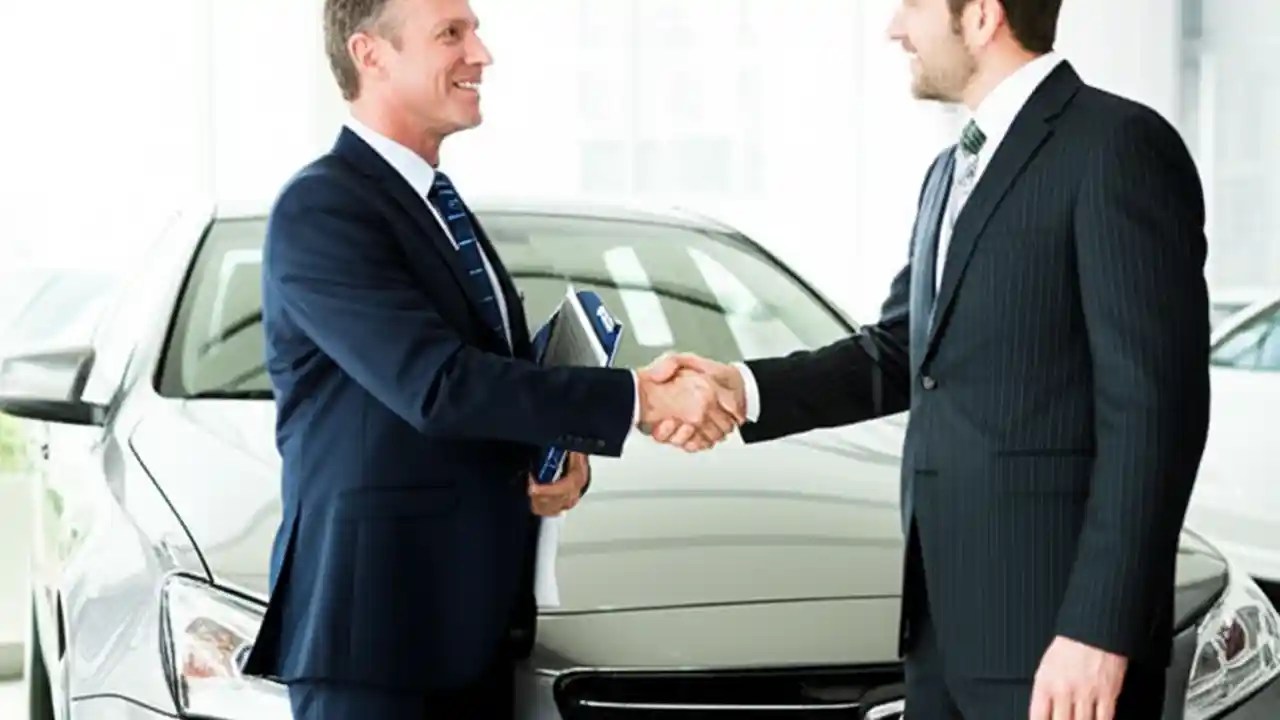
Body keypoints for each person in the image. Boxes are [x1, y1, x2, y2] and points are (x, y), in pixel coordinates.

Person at [650, 0, 1210, 717]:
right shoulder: (950, 171)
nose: (893, 28)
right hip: (943, 631)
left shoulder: (1117, 147)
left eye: (911, 6)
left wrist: (1099, 629)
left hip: (1057, 642)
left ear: (981, 16)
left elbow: (1155, 414)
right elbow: (902, 353)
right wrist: (745, 387)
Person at [237, 0, 742, 717]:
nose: (482, 53)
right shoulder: (324, 209)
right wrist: (638, 399)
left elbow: (484, 390)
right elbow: (440, 386)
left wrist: (552, 451)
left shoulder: (435, 202)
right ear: (370, 55)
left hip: (465, 630)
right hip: (379, 641)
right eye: (452, 33)